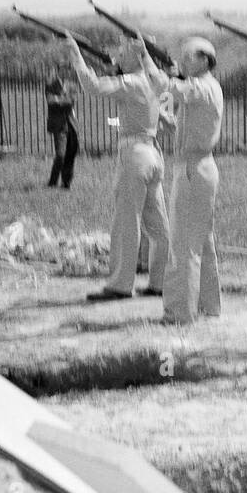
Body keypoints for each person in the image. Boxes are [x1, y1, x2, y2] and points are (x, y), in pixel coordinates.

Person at [64, 36, 169, 301]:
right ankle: (160, 281)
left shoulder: (132, 82)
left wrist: (76, 55)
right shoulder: (156, 80)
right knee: (157, 225)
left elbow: (91, 86)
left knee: (126, 221)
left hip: (134, 155)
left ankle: (121, 284)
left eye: (123, 49)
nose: (118, 54)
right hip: (153, 154)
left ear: (136, 54)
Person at [152, 36, 223, 324]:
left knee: (183, 244)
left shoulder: (202, 86)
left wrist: (145, 58)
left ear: (205, 60)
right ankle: (208, 304)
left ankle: (179, 312)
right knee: (201, 242)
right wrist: (169, 122)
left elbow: (169, 87)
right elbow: (187, 123)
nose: (182, 62)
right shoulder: (204, 88)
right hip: (198, 166)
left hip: (193, 169)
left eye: (189, 57)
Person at [45, 73, 79, 189]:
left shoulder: (73, 85)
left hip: (71, 124)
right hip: (58, 124)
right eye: (63, 68)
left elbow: (71, 101)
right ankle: (52, 182)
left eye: (67, 68)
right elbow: (50, 101)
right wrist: (62, 100)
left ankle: (66, 184)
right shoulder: (51, 84)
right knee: (60, 155)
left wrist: (57, 99)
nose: (65, 70)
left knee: (70, 154)